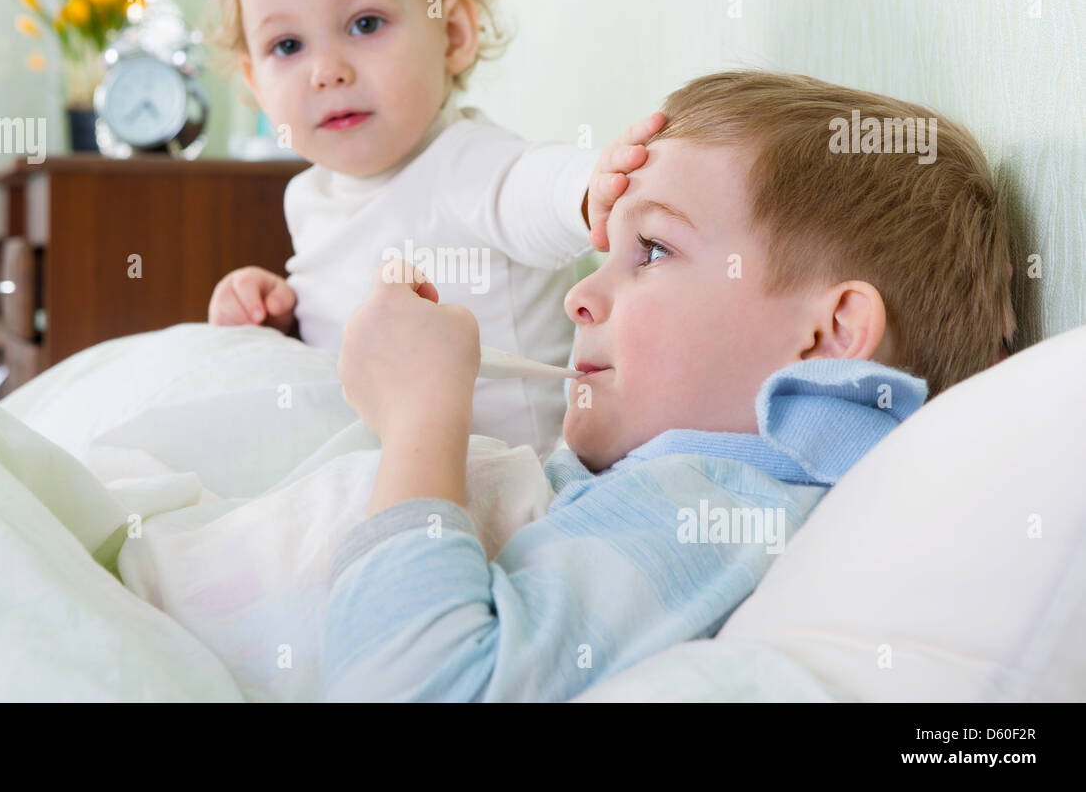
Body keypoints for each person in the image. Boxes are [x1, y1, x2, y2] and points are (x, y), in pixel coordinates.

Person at [324, 70, 1017, 701]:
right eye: (605, 254)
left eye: (652, 249)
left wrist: (418, 415)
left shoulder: (715, 500)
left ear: (830, 334)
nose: (579, 298)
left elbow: (426, 686)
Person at [204, 0, 657, 458]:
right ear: (255, 82)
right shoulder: (308, 197)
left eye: (365, 23)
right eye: (287, 46)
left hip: (510, 476)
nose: (326, 71)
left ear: (454, 35)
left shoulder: (463, 162)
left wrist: (591, 185)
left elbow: (531, 185)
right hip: (388, 471)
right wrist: (280, 316)